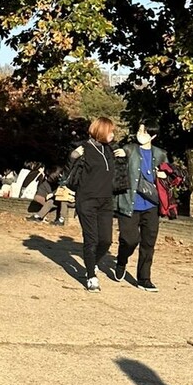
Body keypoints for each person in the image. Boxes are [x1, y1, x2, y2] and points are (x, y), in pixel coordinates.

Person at [67, 116, 125, 291]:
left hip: (106, 201)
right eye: (110, 131)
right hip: (86, 200)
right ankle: (91, 276)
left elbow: (120, 171)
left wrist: (124, 155)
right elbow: (69, 172)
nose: (113, 134)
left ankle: (92, 262)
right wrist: (73, 157)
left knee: (106, 241)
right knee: (91, 239)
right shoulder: (84, 149)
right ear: (101, 131)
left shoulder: (110, 149)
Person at [112, 118, 169, 291]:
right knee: (129, 240)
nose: (140, 134)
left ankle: (144, 278)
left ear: (153, 136)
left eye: (144, 132)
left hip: (151, 205)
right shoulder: (129, 149)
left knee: (148, 243)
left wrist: (164, 176)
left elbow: (168, 177)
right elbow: (117, 165)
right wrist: (121, 155)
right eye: (139, 130)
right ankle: (121, 261)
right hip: (129, 203)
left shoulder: (160, 154)